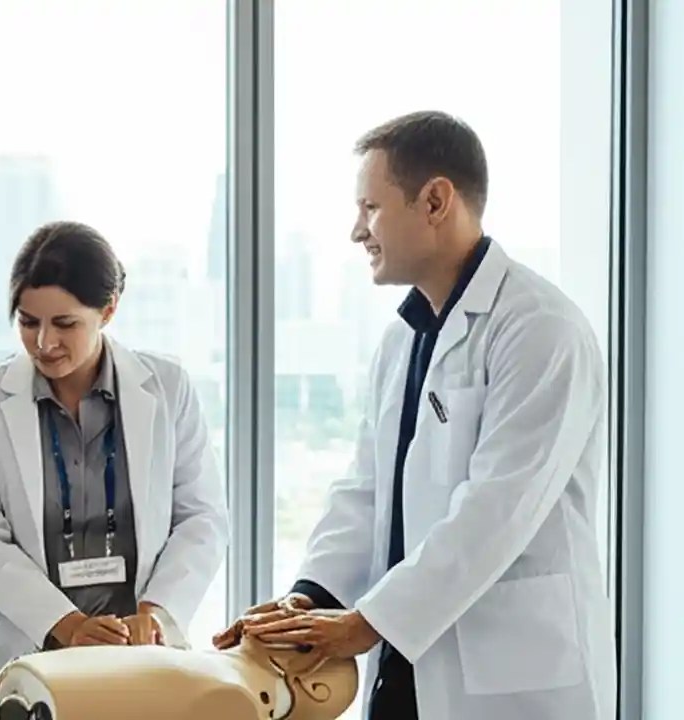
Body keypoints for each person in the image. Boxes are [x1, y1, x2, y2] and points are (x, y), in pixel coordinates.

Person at [215, 111, 616, 719]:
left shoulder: (541, 329)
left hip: (513, 676)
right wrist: (309, 597)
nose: (357, 231)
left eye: (370, 208)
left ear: (434, 201)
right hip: (409, 665)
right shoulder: (403, 339)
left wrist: (367, 621)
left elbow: (497, 509)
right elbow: (367, 491)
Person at [0, 220, 229, 719]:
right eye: (28, 321)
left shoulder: (167, 387)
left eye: (65, 323)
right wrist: (67, 624)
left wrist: (156, 611)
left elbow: (202, 517)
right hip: (27, 647)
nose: (43, 343)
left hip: (136, 649)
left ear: (109, 309)